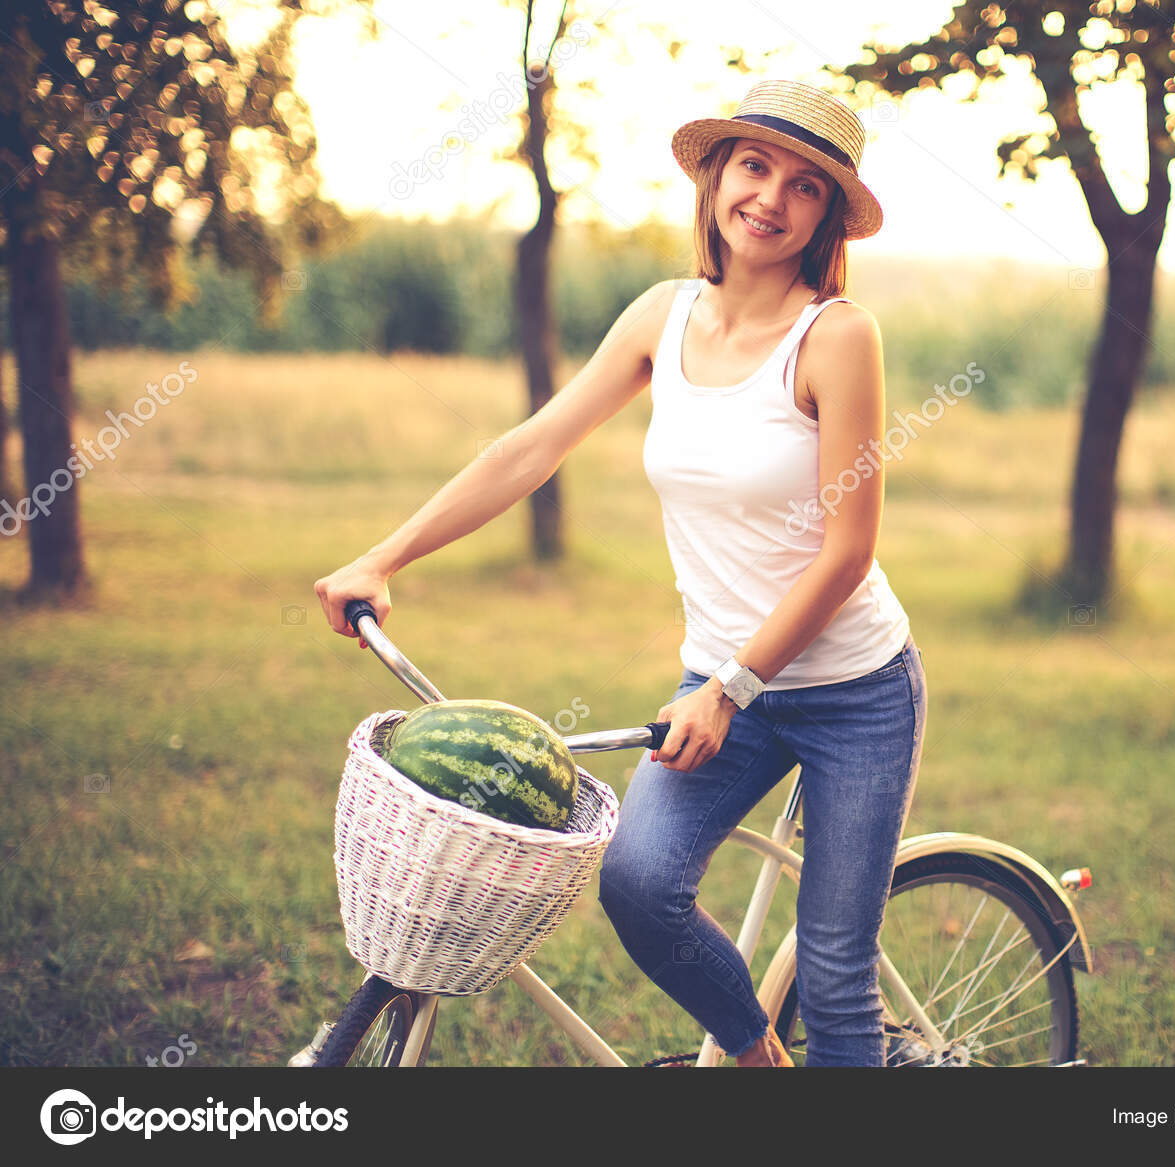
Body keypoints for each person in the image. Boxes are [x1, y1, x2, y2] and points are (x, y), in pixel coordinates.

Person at [313, 79, 925, 1068]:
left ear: (826, 216)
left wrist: (730, 689)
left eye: (804, 186)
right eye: (754, 167)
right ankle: (757, 1061)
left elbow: (847, 552)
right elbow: (531, 446)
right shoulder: (662, 316)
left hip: (853, 692)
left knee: (836, 972)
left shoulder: (838, 337)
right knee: (639, 885)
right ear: (717, 175)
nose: (770, 199)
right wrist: (383, 556)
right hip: (725, 683)